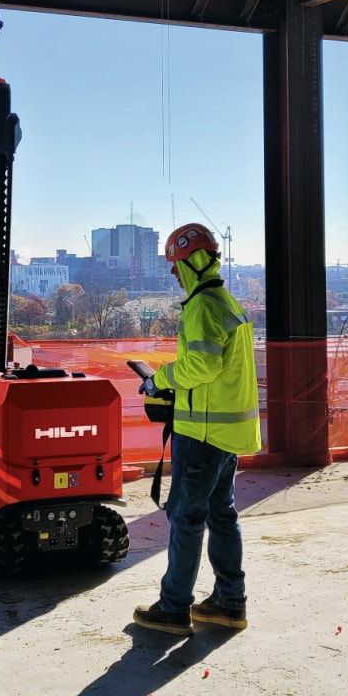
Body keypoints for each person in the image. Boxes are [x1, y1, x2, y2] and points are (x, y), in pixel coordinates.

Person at [133, 223, 261, 636]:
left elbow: (201, 366)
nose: (173, 273)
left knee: (186, 517)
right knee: (222, 515)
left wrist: (160, 380)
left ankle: (173, 608)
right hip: (224, 433)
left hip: (203, 435)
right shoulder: (226, 302)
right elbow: (217, 372)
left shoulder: (203, 307)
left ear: (191, 260)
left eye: (175, 264)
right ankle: (230, 602)